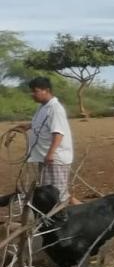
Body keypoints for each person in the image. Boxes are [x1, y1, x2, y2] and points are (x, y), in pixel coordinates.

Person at [16, 76, 76, 204]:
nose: (32, 94)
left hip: (55, 158)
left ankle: (66, 218)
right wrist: (28, 126)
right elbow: (43, 124)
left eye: (35, 91)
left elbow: (58, 133)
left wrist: (51, 154)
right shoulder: (43, 107)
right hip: (46, 157)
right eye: (31, 91)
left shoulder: (55, 109)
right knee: (51, 192)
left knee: (57, 194)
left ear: (46, 90)